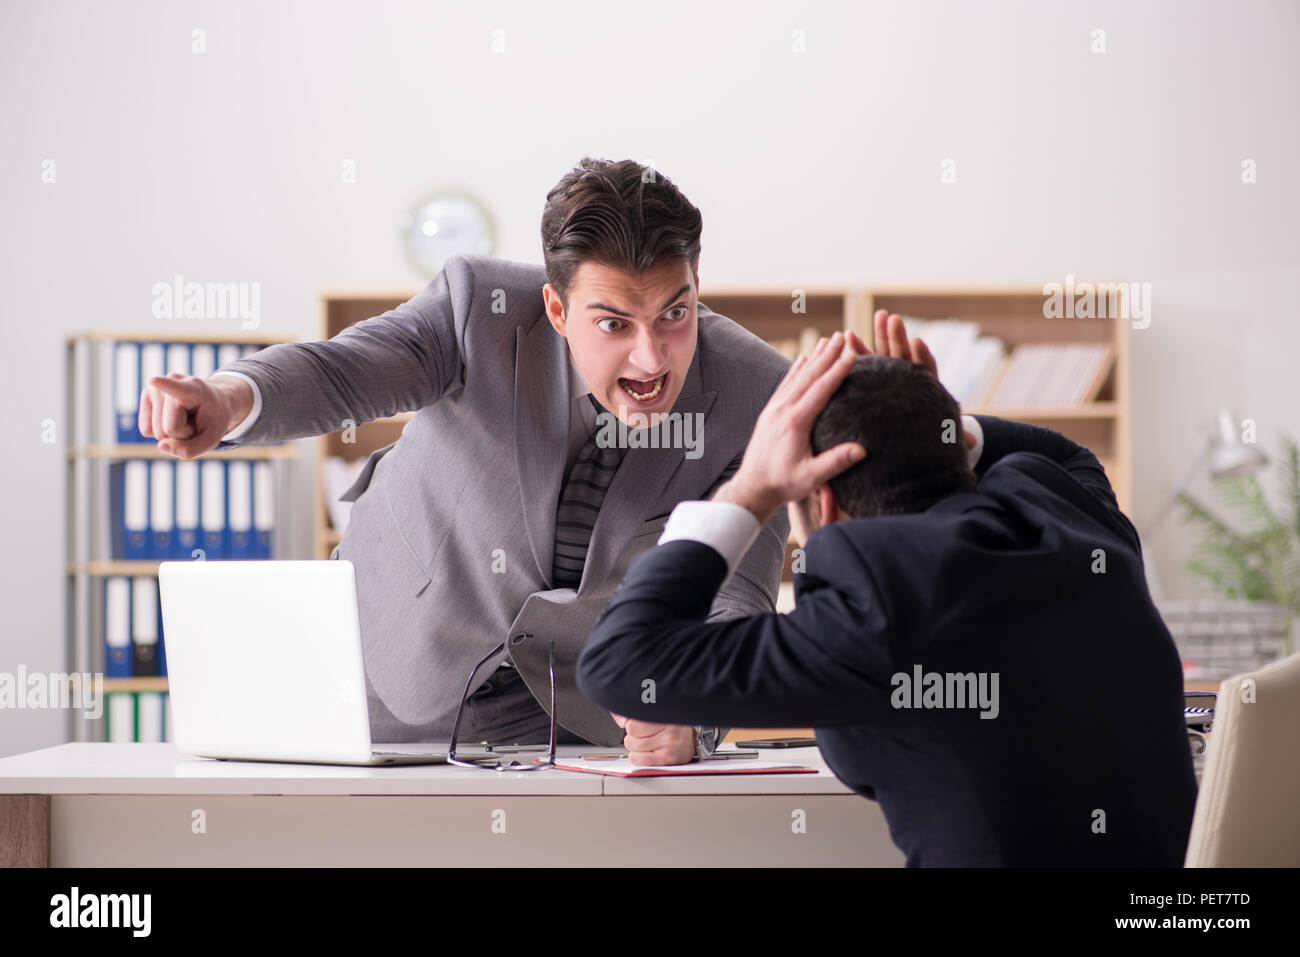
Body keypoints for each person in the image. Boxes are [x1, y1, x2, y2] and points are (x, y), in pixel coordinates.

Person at [137, 157, 792, 765]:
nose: (653, 359)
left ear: (697, 284)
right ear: (558, 310)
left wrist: (692, 712)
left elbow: (739, 593)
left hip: (570, 724)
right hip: (390, 665)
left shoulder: (758, 391)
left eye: (674, 313)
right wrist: (228, 399)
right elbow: (344, 372)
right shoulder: (479, 310)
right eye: (615, 324)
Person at [577, 314, 1198, 864]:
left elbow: (618, 662)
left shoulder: (874, 614)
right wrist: (929, 424)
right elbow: (1067, 457)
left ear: (821, 496)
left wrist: (753, 488)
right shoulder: (1074, 519)